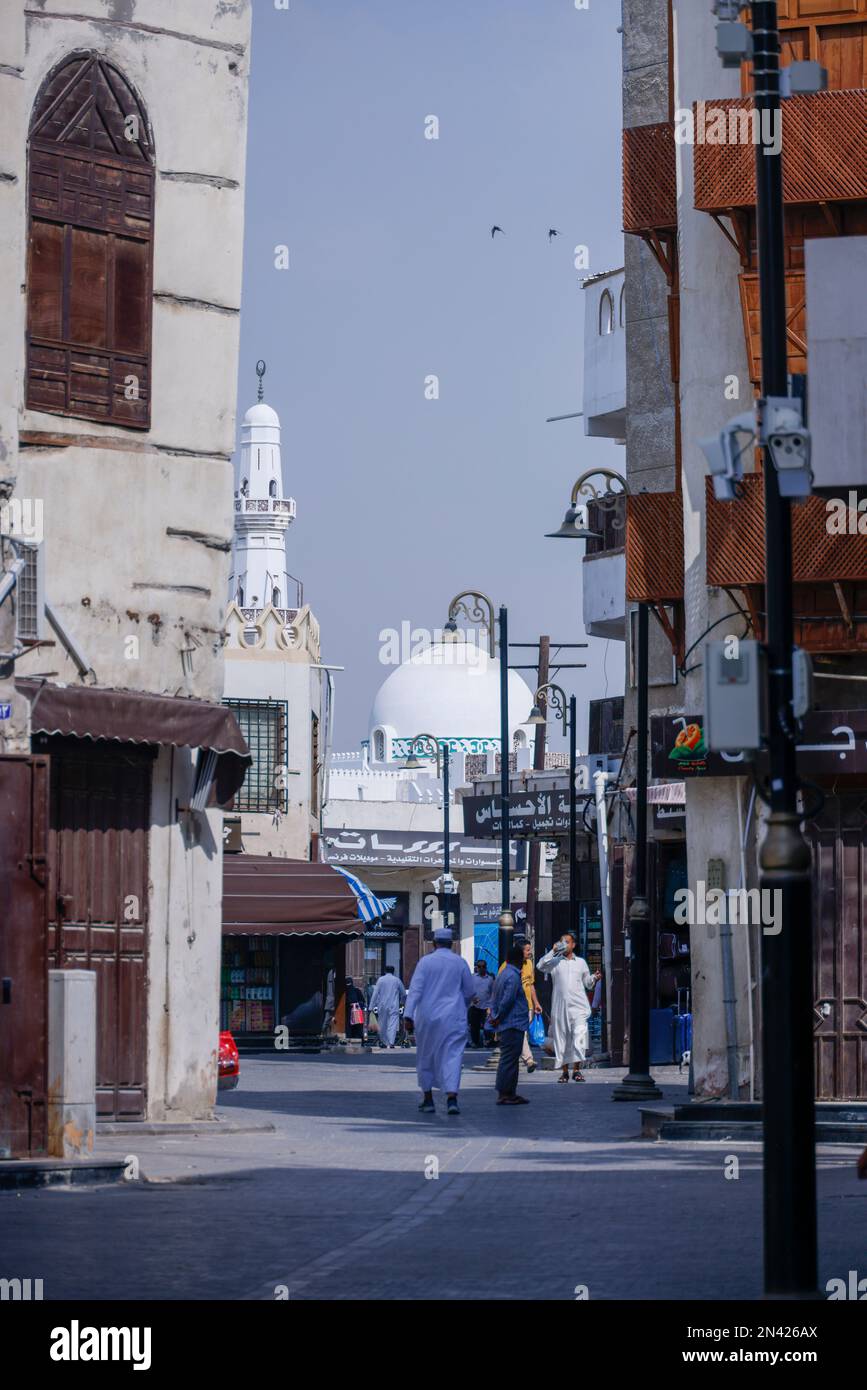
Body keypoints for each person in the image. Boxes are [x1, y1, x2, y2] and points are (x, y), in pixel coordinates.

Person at [403, 926, 476, 1115]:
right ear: (451, 944)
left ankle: (428, 1100)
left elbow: (415, 990)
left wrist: (408, 1015)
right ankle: (452, 1099)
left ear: (434, 944)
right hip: (453, 1017)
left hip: (428, 1018)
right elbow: (470, 991)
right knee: (453, 1057)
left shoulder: (425, 963)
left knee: (425, 1056)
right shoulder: (460, 963)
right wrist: (461, 1005)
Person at [537, 933, 601, 1082]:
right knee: (562, 1039)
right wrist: (553, 950)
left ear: (573, 945)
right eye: (561, 942)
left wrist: (594, 978)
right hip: (560, 1007)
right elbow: (540, 966)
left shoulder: (581, 962)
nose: (564, 944)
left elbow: (587, 983)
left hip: (578, 1007)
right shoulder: (555, 962)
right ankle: (565, 1072)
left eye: (567, 942)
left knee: (579, 1036)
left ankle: (577, 1070)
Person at [489, 944, 532, 1105]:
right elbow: (507, 1000)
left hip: (508, 1023)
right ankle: (506, 1094)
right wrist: (499, 1017)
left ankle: (508, 1092)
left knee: (509, 1059)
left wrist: (496, 1017)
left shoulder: (503, 974)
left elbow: (496, 998)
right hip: (512, 1023)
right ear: (519, 960)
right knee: (509, 1060)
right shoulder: (513, 976)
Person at [369, 965, 406, 1048]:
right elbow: (403, 993)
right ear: (393, 971)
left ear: (385, 971)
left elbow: (375, 994)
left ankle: (384, 1042)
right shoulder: (397, 980)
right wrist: (402, 1003)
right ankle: (391, 1042)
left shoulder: (380, 980)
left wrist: (371, 1007)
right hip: (394, 1005)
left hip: (382, 1005)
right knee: (393, 1024)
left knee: (382, 1024)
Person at [468, 959, 494, 1047]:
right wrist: (472, 998)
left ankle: (487, 1041)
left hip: (486, 1007)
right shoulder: (472, 977)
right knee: (474, 1026)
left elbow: (493, 993)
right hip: (474, 1006)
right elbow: (468, 990)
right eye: (479, 966)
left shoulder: (490, 979)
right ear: (477, 968)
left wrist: (491, 1007)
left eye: (483, 966)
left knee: (488, 1026)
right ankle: (475, 1043)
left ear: (486, 967)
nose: (481, 968)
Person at [344, 976, 366, 1043]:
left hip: (348, 1012)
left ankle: (349, 1038)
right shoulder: (357, 990)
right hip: (356, 1012)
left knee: (348, 1026)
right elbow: (362, 1001)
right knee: (357, 1027)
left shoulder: (345, 991)